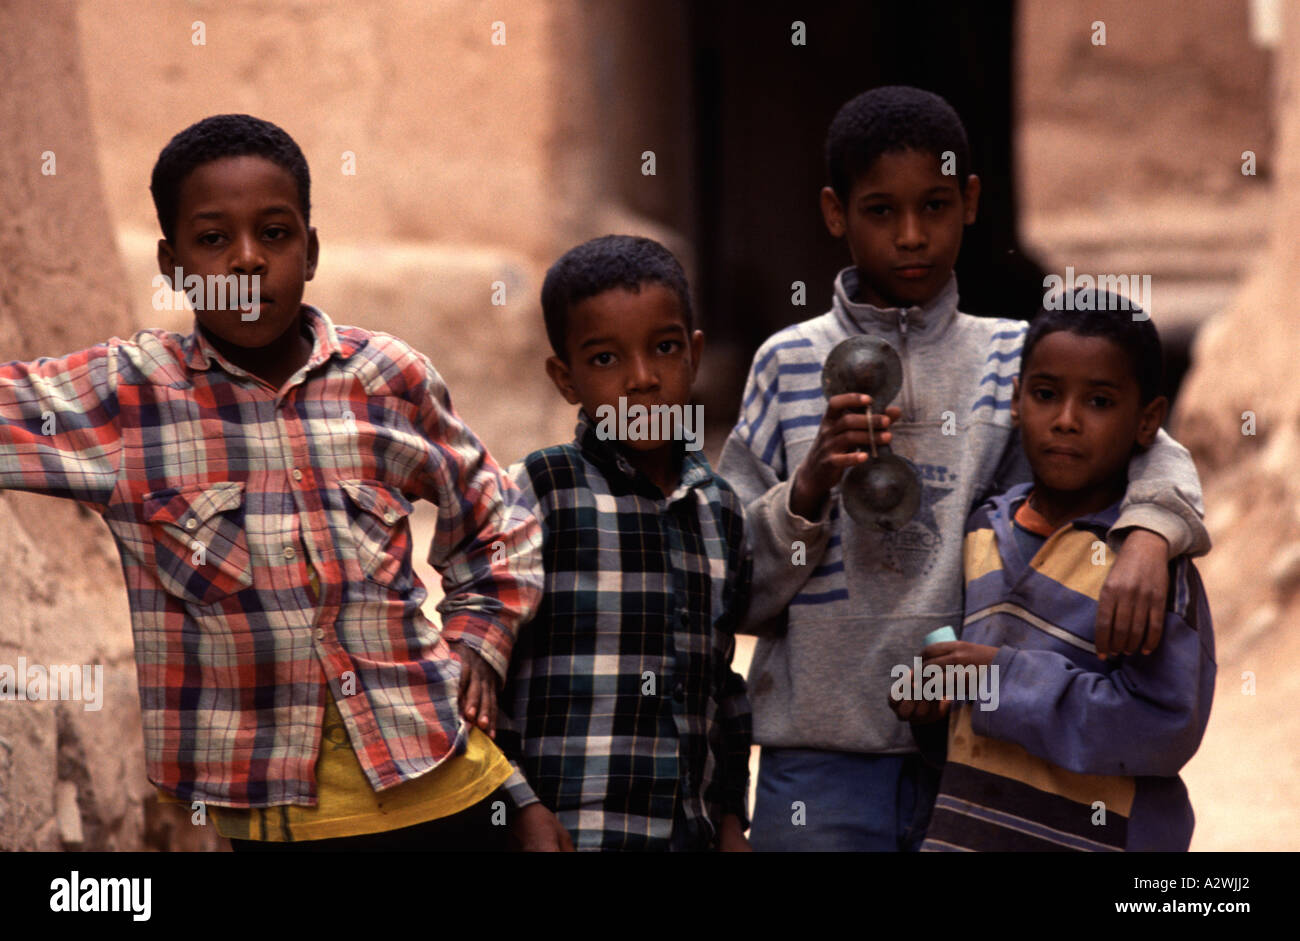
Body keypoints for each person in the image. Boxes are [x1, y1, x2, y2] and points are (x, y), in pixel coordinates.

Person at [0, 114, 542, 850]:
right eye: (214, 239)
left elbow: (496, 517)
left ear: (310, 251)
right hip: (274, 812)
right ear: (173, 264)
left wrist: (479, 637)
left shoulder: (386, 376)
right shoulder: (128, 398)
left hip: (441, 775)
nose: (248, 262)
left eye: (276, 234)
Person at [717, 86, 1210, 851]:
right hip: (821, 756)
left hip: (978, 754)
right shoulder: (786, 365)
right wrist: (808, 486)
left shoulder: (1017, 360)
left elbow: (1152, 444)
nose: (912, 236)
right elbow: (733, 588)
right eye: (881, 211)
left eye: (936, 206)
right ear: (834, 212)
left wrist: (1150, 534)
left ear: (972, 201)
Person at [894, 293, 1215, 851]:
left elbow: (1163, 731)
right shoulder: (977, 535)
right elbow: (966, 715)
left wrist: (1001, 678)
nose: (1066, 421)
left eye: (1098, 401)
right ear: (1017, 401)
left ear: (1148, 421)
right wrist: (929, 703)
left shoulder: (1147, 569)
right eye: (1046, 395)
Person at [496, 235, 752, 851]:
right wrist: (520, 805)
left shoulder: (719, 510)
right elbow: (482, 671)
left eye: (664, 349)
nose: (642, 380)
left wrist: (728, 820)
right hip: (566, 832)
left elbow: (722, 687)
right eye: (606, 359)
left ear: (692, 355)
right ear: (566, 378)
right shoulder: (541, 489)